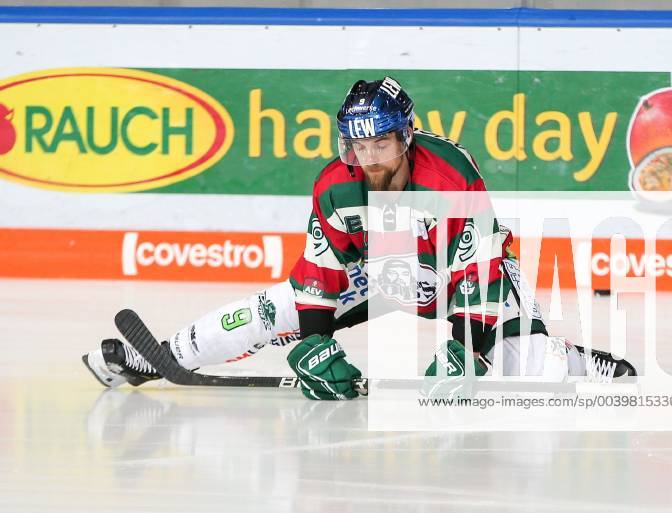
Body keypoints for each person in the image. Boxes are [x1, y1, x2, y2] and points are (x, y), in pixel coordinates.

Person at [83, 77, 632, 397]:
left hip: (456, 272)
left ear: (406, 137)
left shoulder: (450, 176)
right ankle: (153, 359)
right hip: (384, 269)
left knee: (524, 368)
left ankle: (577, 361)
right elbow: (318, 277)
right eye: (357, 146)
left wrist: (463, 351)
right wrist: (313, 345)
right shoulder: (336, 187)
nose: (369, 159)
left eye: (381, 145)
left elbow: (478, 270)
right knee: (273, 309)